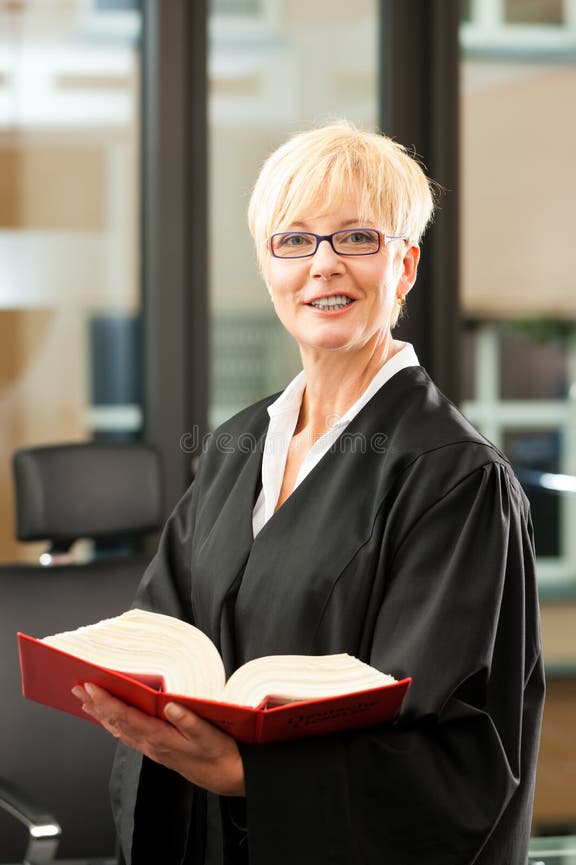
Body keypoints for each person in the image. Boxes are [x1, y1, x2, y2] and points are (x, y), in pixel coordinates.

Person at [72, 121, 545, 865]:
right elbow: (161, 637)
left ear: (406, 265)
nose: (323, 266)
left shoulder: (456, 480)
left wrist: (251, 776)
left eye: (356, 238)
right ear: (269, 271)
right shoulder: (233, 447)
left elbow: (462, 757)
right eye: (293, 241)